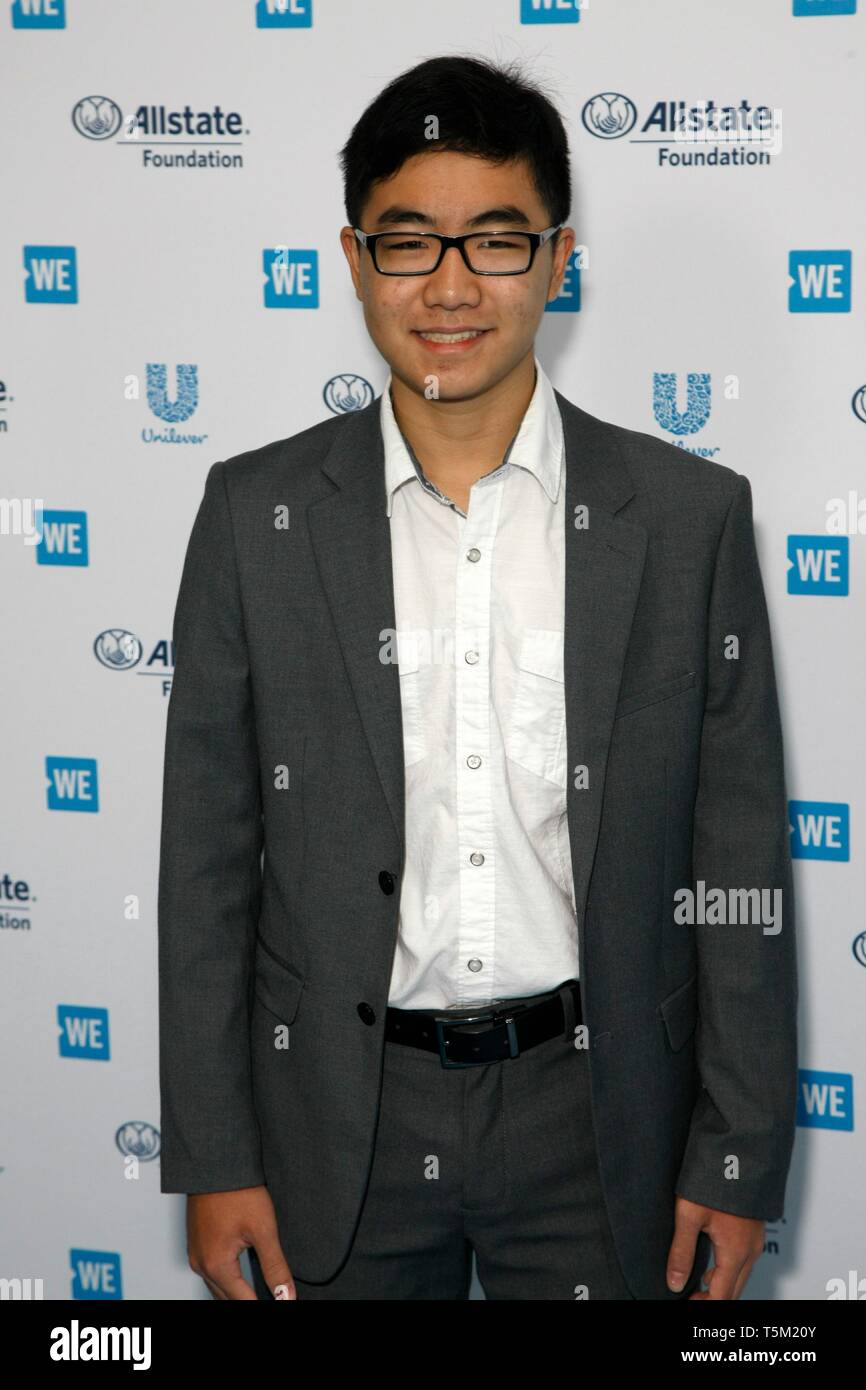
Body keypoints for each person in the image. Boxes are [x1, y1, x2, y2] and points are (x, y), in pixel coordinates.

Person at [158, 54, 798, 1301]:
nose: (450, 285)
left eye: (495, 242)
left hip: (601, 1114)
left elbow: (734, 867)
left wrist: (734, 1149)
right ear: (353, 262)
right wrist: (214, 1153)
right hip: (337, 1118)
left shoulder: (685, 517)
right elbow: (204, 867)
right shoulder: (253, 515)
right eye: (409, 243)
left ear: (557, 261)